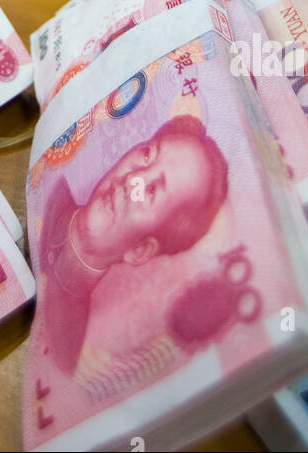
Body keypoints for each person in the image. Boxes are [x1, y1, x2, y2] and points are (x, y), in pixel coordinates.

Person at [40, 114, 228, 374]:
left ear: (140, 251)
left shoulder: (66, 345)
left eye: (152, 191)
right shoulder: (49, 190)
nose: (133, 180)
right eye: (147, 154)